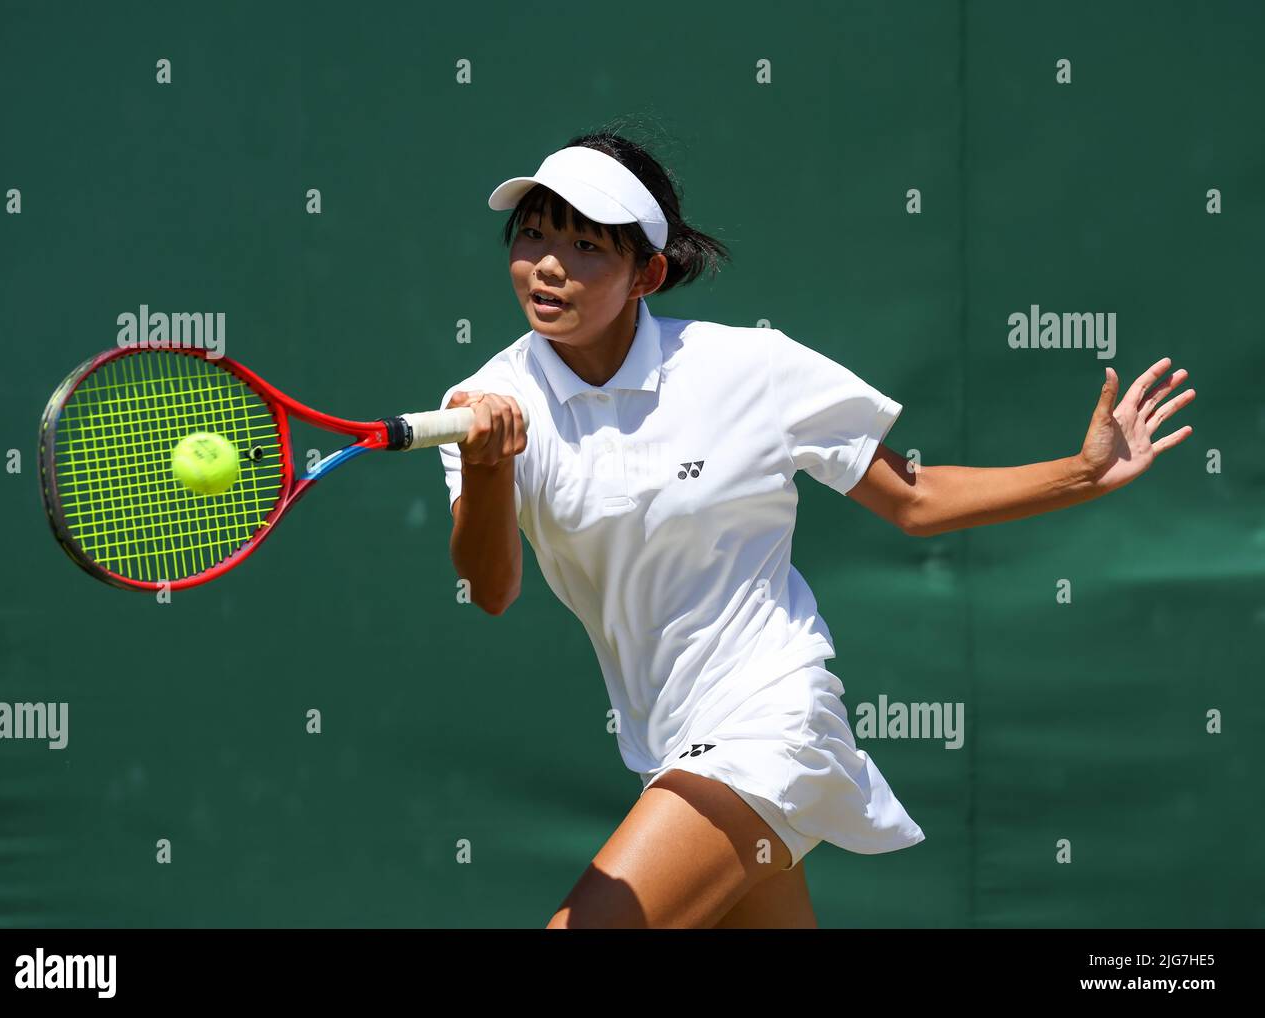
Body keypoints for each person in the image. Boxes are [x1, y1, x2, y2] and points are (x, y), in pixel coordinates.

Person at [437, 129, 1196, 929]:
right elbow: (490, 590)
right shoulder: (487, 398)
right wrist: (489, 467)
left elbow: (915, 499)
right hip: (668, 744)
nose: (549, 262)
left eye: (586, 243)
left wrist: (1079, 473)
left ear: (647, 274)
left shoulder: (749, 370)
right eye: (533, 232)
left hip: (771, 721)